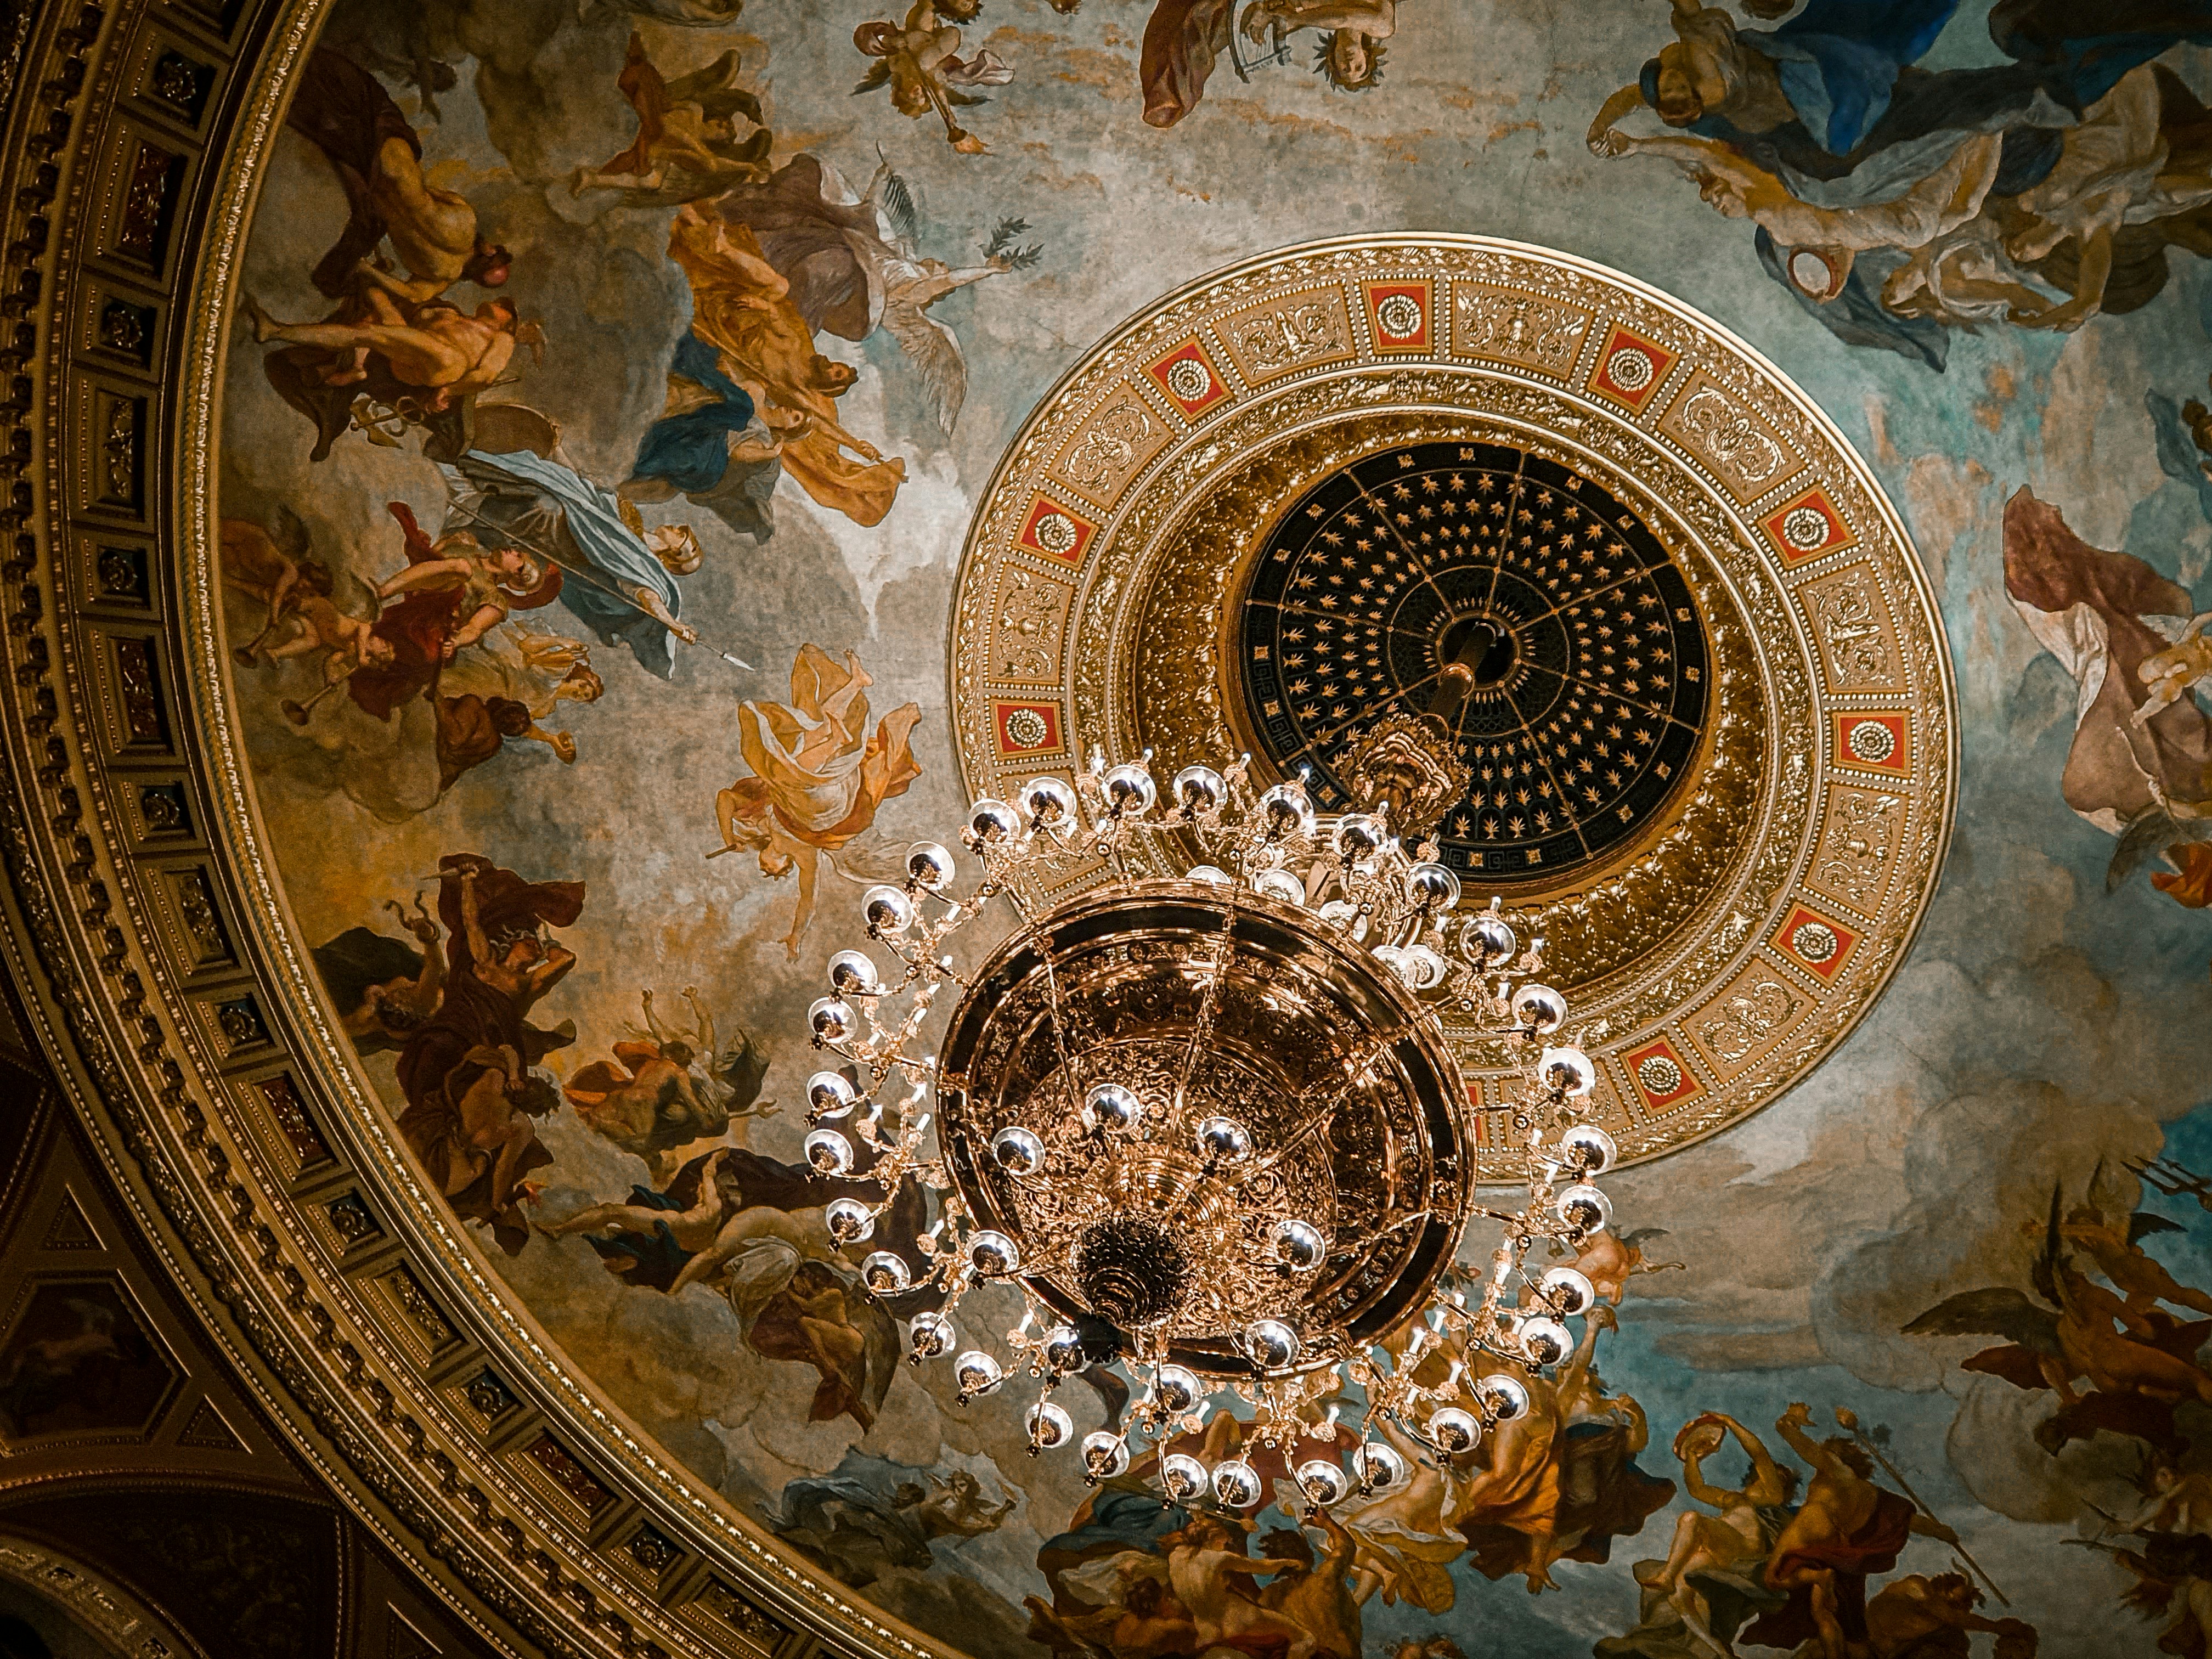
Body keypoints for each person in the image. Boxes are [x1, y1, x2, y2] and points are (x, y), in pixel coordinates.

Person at [713, 645, 922, 957]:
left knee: (806, 738)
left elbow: (725, 799)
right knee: (790, 773)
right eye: (774, 872)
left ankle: (855, 685)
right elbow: (807, 901)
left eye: (764, 868)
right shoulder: (805, 855)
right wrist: (796, 936)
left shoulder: (759, 820)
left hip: (809, 794)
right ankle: (836, 738)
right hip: (825, 812)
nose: (767, 867)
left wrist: (729, 837)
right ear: (786, 865)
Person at [282, 46, 511, 303]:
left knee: (333, 91)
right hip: (379, 186)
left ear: (487, 255)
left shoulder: (467, 221)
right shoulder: (437, 279)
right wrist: (367, 269)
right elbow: (412, 296)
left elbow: (427, 190)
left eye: (494, 253)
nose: (492, 246)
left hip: (391, 159)